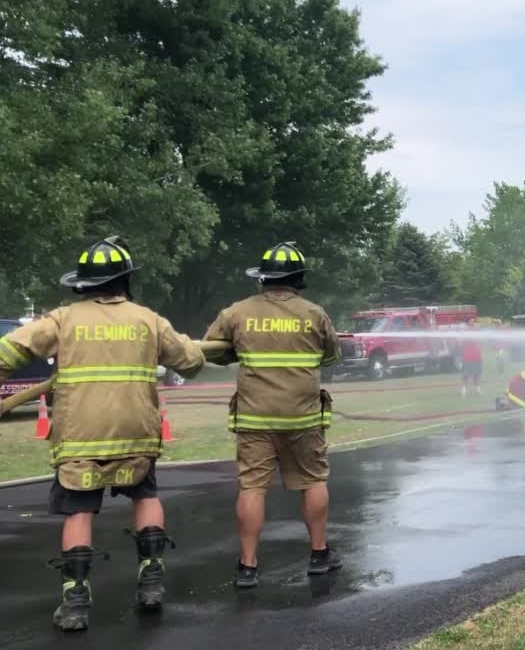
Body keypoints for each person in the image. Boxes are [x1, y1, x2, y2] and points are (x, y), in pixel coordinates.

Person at [0, 237, 204, 631]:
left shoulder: (61, 320)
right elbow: (191, 362)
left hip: (80, 437)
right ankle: (151, 582)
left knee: (78, 511)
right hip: (136, 434)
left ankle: (76, 602)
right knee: (145, 495)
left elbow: (6, 354)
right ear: (125, 281)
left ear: (82, 284)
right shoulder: (149, 319)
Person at [203, 242, 342, 590]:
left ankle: (247, 567)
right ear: (298, 279)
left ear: (262, 278)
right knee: (313, 481)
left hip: (254, 418)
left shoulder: (236, 312)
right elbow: (330, 357)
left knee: (252, 487)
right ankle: (319, 554)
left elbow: (214, 352)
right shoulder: (314, 314)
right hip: (302, 418)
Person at [460, 319, 483, 397]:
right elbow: (468, 339)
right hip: (467, 357)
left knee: (477, 374)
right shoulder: (465, 332)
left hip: (477, 356)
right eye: (471, 322)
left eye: (473, 322)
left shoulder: (477, 331)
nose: (472, 323)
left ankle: (477, 389)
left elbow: (479, 340)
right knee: (466, 374)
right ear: (468, 324)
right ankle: (464, 390)